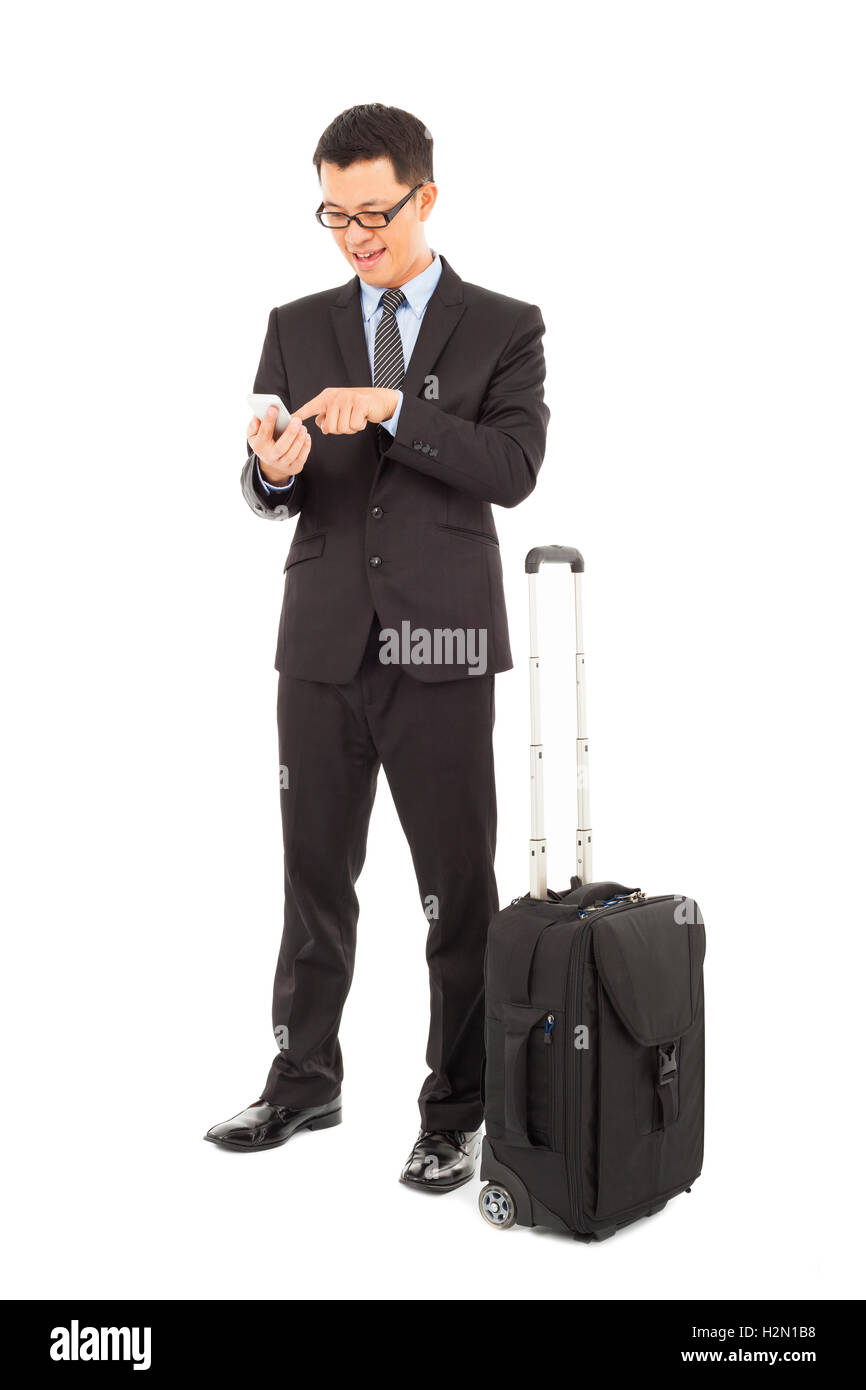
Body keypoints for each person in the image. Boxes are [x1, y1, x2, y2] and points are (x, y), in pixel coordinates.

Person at [205, 103, 549, 1192]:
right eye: (333, 215)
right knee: (313, 875)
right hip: (318, 647)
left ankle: (456, 1107)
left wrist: (396, 408)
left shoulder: (503, 324)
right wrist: (270, 464)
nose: (354, 236)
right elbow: (282, 488)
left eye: (373, 213)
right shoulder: (294, 321)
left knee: (454, 886)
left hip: (441, 646)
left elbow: (510, 468)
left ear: (424, 196)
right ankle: (302, 1076)